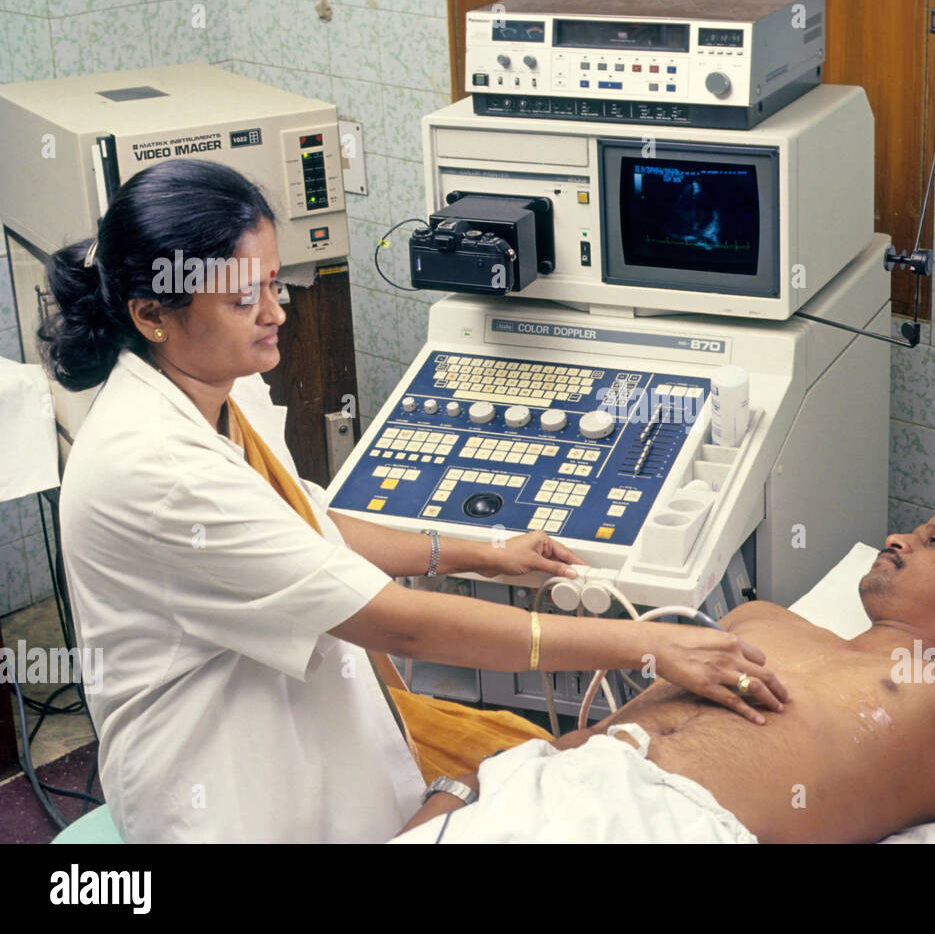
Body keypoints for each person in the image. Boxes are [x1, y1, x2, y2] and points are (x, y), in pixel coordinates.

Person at [43, 158, 789, 843]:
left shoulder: (211, 391)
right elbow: (397, 624)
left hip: (313, 741)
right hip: (225, 795)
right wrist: (646, 643)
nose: (275, 311)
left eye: (275, 282)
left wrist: (478, 551)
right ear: (151, 315)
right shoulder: (155, 467)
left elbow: (306, 524)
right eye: (244, 298)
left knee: (519, 774)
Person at [396, 500, 935, 843]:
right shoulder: (762, 619)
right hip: (534, 794)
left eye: (933, 540)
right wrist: (457, 792)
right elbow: (602, 735)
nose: (898, 538)